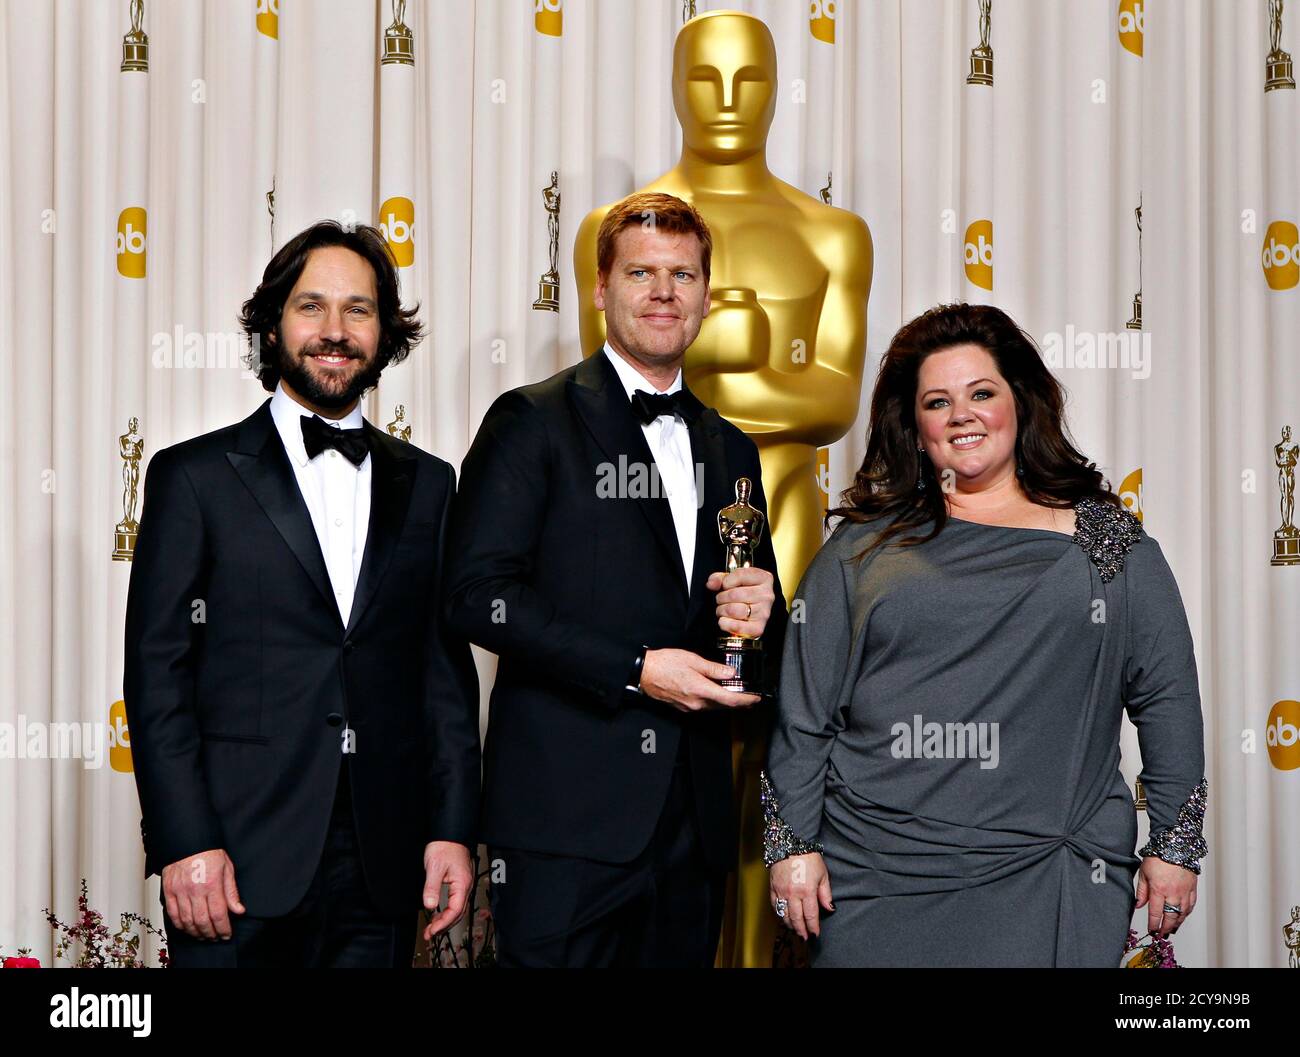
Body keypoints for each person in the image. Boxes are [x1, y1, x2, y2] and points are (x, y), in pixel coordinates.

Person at [764, 302, 1207, 967]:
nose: (961, 414)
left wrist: (1174, 844)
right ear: (915, 427)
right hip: (877, 878)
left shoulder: (1109, 545)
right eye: (937, 401)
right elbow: (805, 711)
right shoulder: (862, 551)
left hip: (1053, 872)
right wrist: (792, 846)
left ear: (1021, 404)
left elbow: (1167, 697)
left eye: (981, 393)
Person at [123, 220, 480, 968]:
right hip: (234, 859)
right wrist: (186, 841)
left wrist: (451, 828)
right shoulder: (194, 478)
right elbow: (159, 676)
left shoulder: (431, 485)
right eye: (311, 306)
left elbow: (442, 678)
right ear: (274, 322)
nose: (335, 330)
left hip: (383, 864)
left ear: (385, 332)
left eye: (359, 309)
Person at [445, 191, 787, 967]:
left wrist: (767, 614)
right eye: (641, 272)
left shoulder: (733, 449)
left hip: (693, 828)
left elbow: (741, 628)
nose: (664, 291)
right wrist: (637, 670)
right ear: (600, 290)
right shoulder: (531, 420)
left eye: (683, 274)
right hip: (564, 824)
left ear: (706, 293)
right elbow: (476, 595)